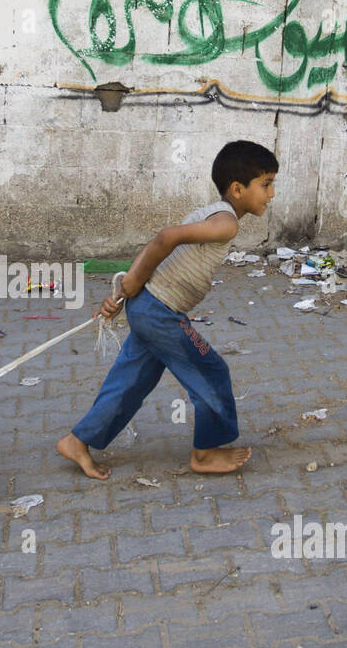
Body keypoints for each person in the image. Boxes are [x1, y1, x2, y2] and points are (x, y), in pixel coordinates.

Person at [56, 141, 278, 479]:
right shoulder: (226, 223)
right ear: (237, 189)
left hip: (149, 307)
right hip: (162, 313)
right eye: (266, 184)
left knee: (131, 380)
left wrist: (125, 291)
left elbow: (161, 250)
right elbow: (165, 238)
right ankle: (204, 454)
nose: (271, 194)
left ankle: (78, 441)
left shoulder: (214, 214)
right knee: (212, 371)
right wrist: (132, 278)